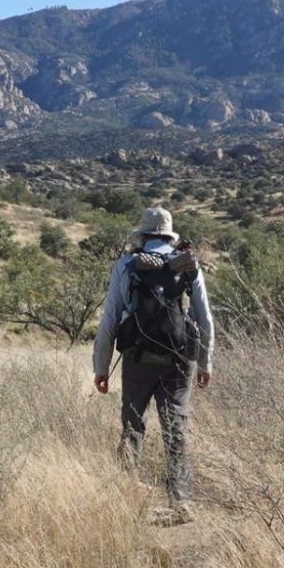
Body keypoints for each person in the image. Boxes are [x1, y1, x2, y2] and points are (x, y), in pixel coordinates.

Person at [92, 206, 214, 516]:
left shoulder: (126, 264)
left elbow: (109, 319)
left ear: (143, 234)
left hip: (137, 358)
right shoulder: (188, 265)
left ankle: (126, 496)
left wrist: (101, 368)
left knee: (133, 425)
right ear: (170, 235)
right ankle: (181, 500)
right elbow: (204, 319)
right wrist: (205, 362)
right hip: (179, 358)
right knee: (176, 428)